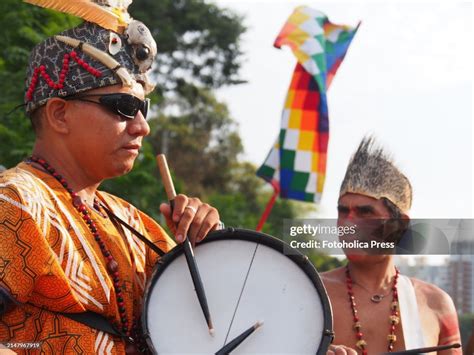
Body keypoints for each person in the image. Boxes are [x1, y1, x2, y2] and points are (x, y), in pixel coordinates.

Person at [0, 1, 221, 353]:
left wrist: (210, 248)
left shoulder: (135, 223)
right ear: (59, 114)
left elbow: (209, 332)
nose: (142, 127)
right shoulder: (14, 204)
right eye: (123, 107)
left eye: (143, 109)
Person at [323, 137, 461, 354]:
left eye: (365, 212)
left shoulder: (436, 304)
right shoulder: (311, 293)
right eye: (343, 211)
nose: (348, 223)